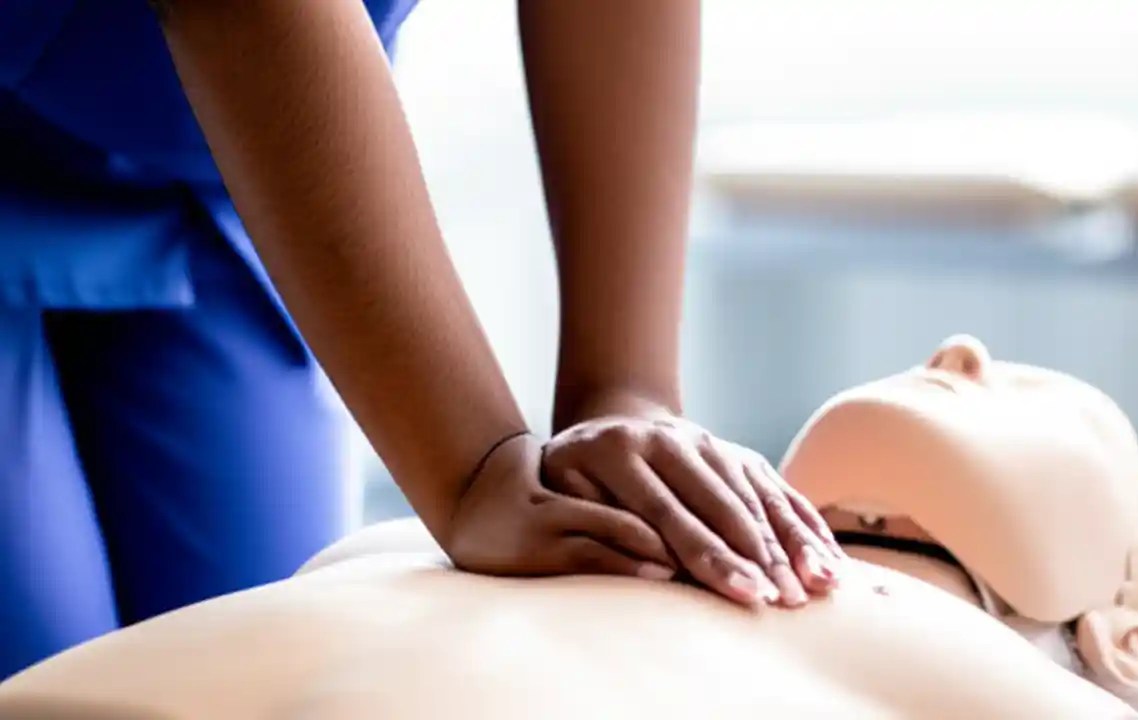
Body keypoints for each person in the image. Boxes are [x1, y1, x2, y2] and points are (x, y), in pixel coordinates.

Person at [0, 0, 840, 681]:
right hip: (209, 78)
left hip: (213, 166)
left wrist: (628, 389)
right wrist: (474, 469)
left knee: (281, 671)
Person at [0, 336, 1138, 719]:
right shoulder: (574, 524)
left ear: (1120, 638)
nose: (956, 351)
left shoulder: (1008, 681)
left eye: (1041, 398)